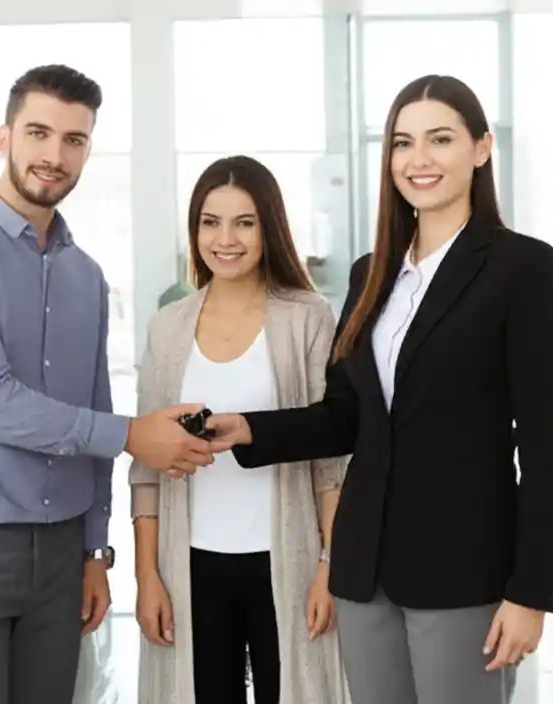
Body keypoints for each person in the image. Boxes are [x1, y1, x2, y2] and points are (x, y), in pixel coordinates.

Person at [205, 74, 553, 704]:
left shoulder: (524, 268)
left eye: (441, 139)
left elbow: (546, 449)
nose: (419, 159)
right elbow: (350, 417)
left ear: (482, 148)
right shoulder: (369, 274)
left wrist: (531, 592)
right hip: (364, 568)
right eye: (403, 144)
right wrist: (249, 428)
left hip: (465, 567)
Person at [0, 63, 217, 704]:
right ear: (4, 137)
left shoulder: (86, 276)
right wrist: (133, 436)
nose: (54, 155)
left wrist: (96, 549)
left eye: (74, 140)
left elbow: (90, 403)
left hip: (63, 547)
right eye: (39, 133)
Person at [130, 155, 350, 704]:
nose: (225, 238)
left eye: (244, 222)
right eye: (210, 222)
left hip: (287, 562)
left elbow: (330, 458)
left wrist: (329, 566)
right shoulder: (168, 328)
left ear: (269, 227)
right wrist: (147, 577)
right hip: (191, 567)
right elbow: (145, 467)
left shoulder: (307, 317)